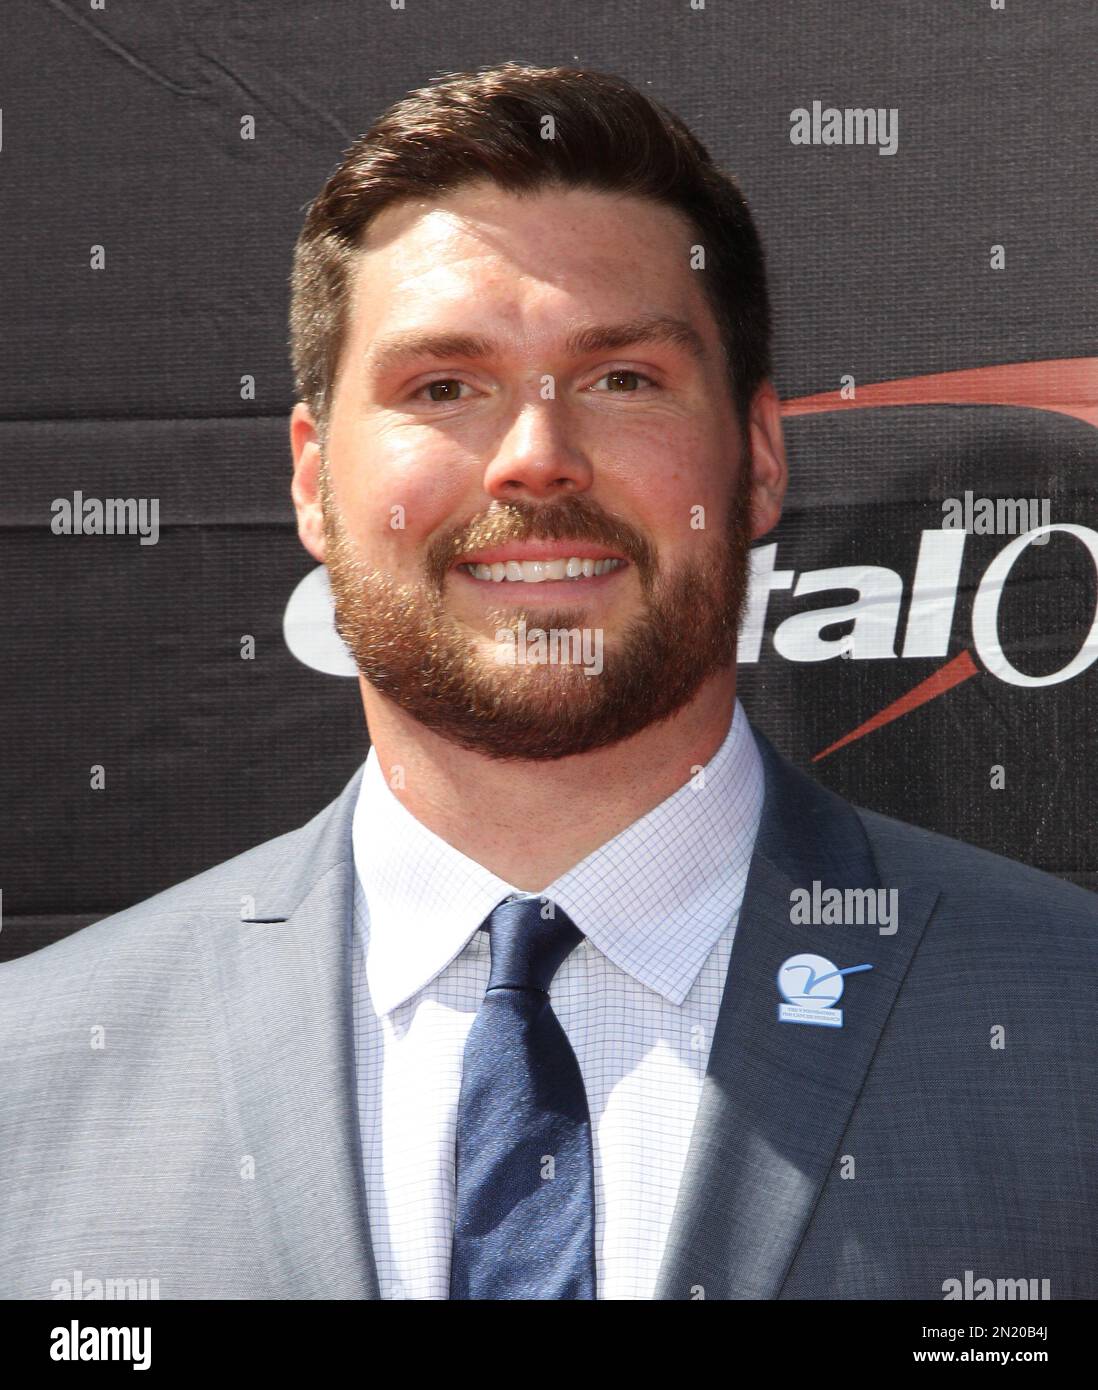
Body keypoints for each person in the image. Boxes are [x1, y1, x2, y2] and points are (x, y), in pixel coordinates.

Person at [2, 61, 1095, 1302]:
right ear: (312, 480)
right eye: (444, 387)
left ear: (759, 455)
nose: (536, 458)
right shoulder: (30, 1075)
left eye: (621, 378)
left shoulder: (1073, 1027)